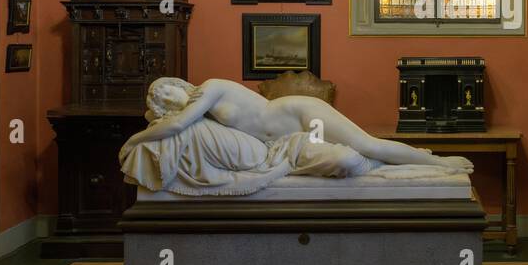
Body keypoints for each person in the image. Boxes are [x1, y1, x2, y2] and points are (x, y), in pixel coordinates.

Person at [121, 77, 473, 173]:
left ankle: (438, 163)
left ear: (179, 85)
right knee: (357, 154)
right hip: (289, 138)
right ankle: (396, 165)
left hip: (301, 115)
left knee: (369, 145)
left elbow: (175, 126)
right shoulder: (204, 117)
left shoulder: (209, 90)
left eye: (167, 92)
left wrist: (136, 138)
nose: (168, 101)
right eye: (161, 103)